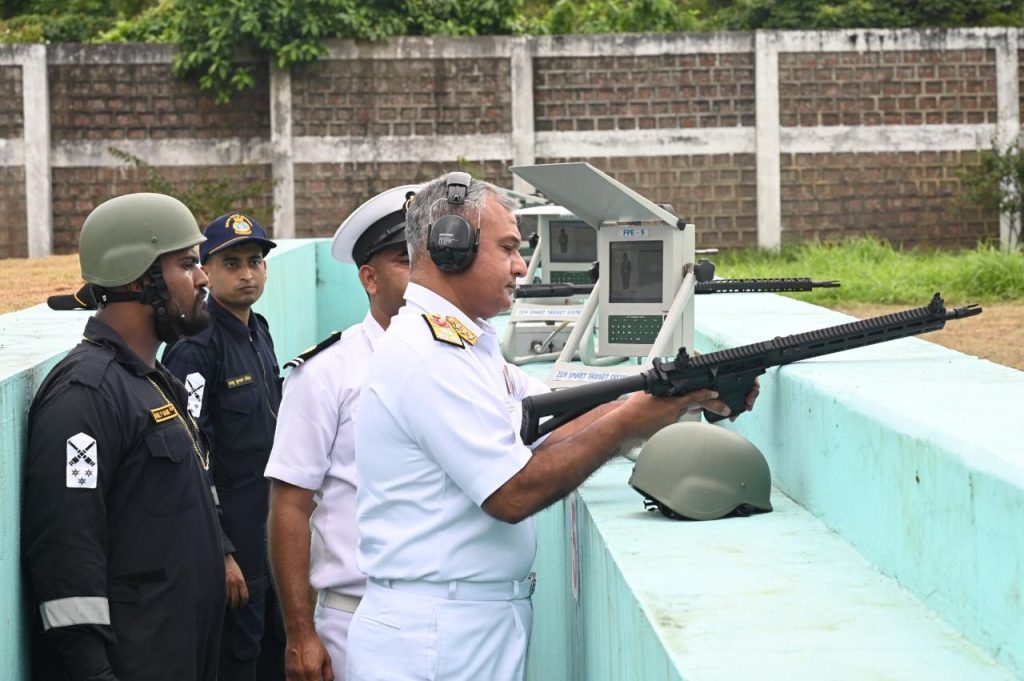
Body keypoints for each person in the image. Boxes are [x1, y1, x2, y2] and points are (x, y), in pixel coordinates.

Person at [346, 172, 759, 681]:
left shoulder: (462, 345)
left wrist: (675, 397)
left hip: (460, 624)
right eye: (508, 248)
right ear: (450, 248)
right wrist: (631, 418)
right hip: (435, 637)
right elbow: (512, 493)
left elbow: (549, 424)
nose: (521, 266)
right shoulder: (427, 354)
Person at [22, 192, 225, 681]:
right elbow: (67, 550)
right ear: (140, 277)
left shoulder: (155, 380)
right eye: (187, 265)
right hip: (134, 662)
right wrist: (93, 672)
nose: (202, 279)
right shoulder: (85, 395)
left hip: (183, 651)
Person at [265, 184, 419, 681]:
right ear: (369, 278)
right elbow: (290, 505)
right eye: (405, 260)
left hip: (458, 620)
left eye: (430, 258)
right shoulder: (327, 372)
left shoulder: (470, 360)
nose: (423, 275)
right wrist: (300, 632)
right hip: (358, 618)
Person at [162, 212, 285, 681]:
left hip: (271, 531)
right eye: (231, 263)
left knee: (276, 650)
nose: (247, 273)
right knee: (239, 659)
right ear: (206, 273)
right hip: (235, 541)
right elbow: (192, 456)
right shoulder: (196, 347)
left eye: (255, 261)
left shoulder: (260, 332)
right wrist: (222, 549)